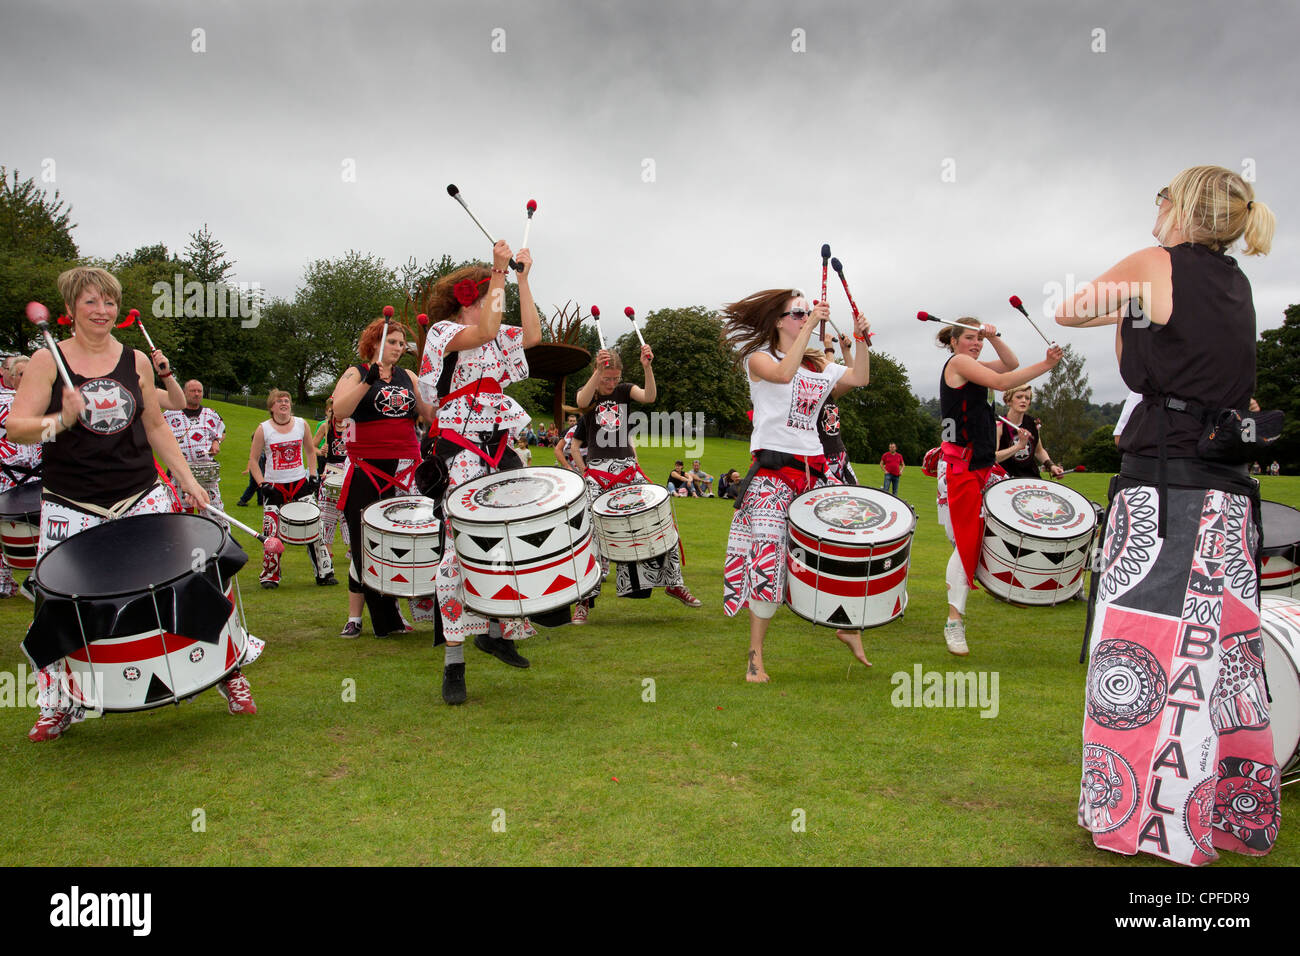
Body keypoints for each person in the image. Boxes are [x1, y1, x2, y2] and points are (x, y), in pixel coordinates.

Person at [1058, 164, 1277, 865]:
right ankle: (1224, 814)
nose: (1152, 210)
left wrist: (1133, 294)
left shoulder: (1157, 261)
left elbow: (1069, 310)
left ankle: (1137, 819)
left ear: (1180, 208)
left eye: (1160, 199)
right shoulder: (1236, 282)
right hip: (1225, 495)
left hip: (1163, 494)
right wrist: (1137, 314)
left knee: (1141, 656)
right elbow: (1148, 359)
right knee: (1217, 662)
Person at [7, 266, 258, 741]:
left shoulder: (137, 360)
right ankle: (56, 701)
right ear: (69, 310)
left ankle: (229, 673)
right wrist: (61, 418)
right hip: (71, 503)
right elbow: (17, 426)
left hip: (140, 493)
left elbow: (157, 426)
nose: (102, 311)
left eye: (109, 303)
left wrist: (186, 480)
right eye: (91, 303)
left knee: (190, 582)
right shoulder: (47, 361)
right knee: (56, 603)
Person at [721, 288, 872, 681]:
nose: (805, 318)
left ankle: (846, 626)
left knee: (837, 551)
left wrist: (862, 340)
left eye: (808, 313)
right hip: (771, 475)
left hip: (814, 475)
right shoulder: (758, 359)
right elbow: (783, 373)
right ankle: (755, 657)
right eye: (798, 313)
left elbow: (859, 377)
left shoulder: (818, 366)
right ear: (777, 320)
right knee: (768, 563)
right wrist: (811, 331)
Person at [416, 240, 543, 705]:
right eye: (487, 289)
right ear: (465, 297)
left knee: (508, 536)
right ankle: (454, 662)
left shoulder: (494, 333)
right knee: (456, 550)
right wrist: (499, 271)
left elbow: (530, 334)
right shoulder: (444, 333)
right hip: (461, 448)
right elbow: (488, 328)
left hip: (501, 445)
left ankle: (496, 631)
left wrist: (523, 278)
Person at [936, 318, 1061, 657]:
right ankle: (954, 621)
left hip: (980, 465)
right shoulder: (959, 363)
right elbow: (1004, 380)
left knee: (994, 530)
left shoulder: (972, 363)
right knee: (966, 542)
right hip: (961, 466)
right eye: (970, 338)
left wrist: (994, 338)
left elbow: (1010, 364)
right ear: (954, 341)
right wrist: (1048, 365)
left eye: (979, 339)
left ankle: (999, 585)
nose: (975, 344)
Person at [570, 346, 702, 624]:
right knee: (590, 534)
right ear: (598, 370)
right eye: (607, 377)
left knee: (661, 519)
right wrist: (597, 373)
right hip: (598, 473)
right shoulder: (591, 392)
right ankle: (583, 600)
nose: (611, 383)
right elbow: (581, 401)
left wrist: (647, 367)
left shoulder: (625, 390)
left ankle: (673, 581)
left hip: (629, 470)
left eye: (615, 378)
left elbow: (650, 396)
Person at [331, 316, 434, 638]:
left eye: (402, 344)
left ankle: (406, 611)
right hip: (367, 465)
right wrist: (366, 382)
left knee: (403, 541)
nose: (399, 348)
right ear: (376, 341)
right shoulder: (356, 372)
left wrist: (435, 381)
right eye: (393, 341)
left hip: (405, 466)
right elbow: (340, 411)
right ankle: (370, 618)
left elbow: (428, 415)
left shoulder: (408, 376)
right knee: (366, 544)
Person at [248, 390, 334, 588]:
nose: (284, 404)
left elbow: (311, 451)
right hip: (274, 488)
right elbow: (253, 460)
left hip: (299, 485)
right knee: (272, 532)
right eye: (279, 402)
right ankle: (270, 576)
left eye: (287, 401)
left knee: (315, 527)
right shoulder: (264, 429)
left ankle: (325, 572)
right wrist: (262, 484)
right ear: (272, 407)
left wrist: (312, 475)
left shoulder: (301, 424)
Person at [0, 356, 43, 598]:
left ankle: (37, 580)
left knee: (48, 532)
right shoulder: (2, 404)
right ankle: (3, 584)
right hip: (7, 476)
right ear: (12, 378)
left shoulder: (49, 406)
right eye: (21, 375)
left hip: (40, 479)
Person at [163, 379, 227, 526]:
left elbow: (221, 431)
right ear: (184, 393)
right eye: (192, 391)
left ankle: (222, 541)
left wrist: (216, 442)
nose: (196, 394)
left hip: (206, 473)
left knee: (214, 510)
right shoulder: (169, 415)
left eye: (199, 391)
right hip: (179, 472)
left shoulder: (210, 414)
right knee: (179, 511)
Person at [995, 386, 1065, 479]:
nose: (1023, 400)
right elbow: (993, 458)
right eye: (1019, 397)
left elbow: (1039, 451)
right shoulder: (998, 426)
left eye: (1027, 398)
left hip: (1032, 478)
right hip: (1006, 479)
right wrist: (1019, 446)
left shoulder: (1033, 423)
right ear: (1008, 401)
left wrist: (1051, 466)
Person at [312, 395, 350, 564]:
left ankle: (352, 547)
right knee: (327, 512)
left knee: (348, 512)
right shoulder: (326, 426)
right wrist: (321, 451)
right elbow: (311, 447)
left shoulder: (352, 425)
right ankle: (327, 550)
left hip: (348, 470)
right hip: (331, 471)